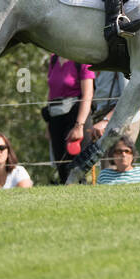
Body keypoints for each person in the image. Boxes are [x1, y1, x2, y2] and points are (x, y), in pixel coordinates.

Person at [45, 54, 96, 184]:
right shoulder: (53, 59)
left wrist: (79, 126)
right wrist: (48, 125)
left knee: (76, 169)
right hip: (56, 118)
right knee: (61, 168)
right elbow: (51, 93)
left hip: (76, 117)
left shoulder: (83, 60)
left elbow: (88, 95)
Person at [87, 70, 140, 145]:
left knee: (120, 154)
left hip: (124, 121)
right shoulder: (101, 64)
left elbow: (129, 99)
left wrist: (105, 121)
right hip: (104, 119)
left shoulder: (122, 64)